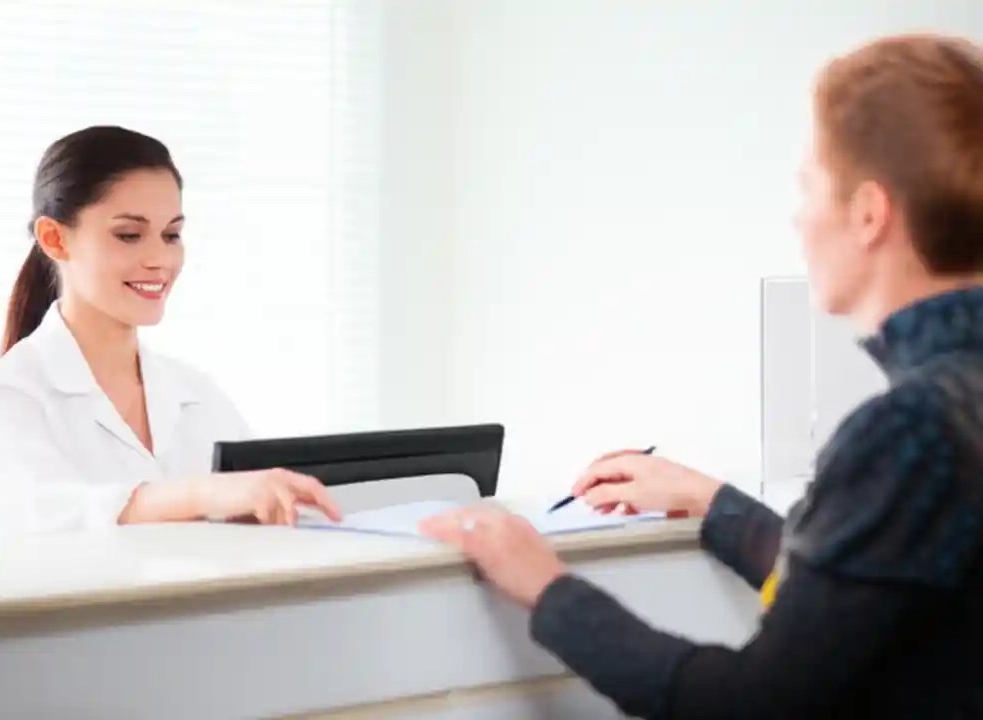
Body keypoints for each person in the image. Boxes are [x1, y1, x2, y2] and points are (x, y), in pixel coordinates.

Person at [420, 34, 983, 718]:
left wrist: (544, 586)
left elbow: (748, 703)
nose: (798, 217)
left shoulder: (909, 430)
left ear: (869, 213)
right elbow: (862, 594)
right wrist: (711, 500)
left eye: (809, 185)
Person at [0, 126, 340, 540]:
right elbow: (38, 517)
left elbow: (261, 505)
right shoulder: (8, 394)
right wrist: (201, 496)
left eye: (171, 235)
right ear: (54, 238)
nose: (160, 259)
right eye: (129, 235)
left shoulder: (196, 394)